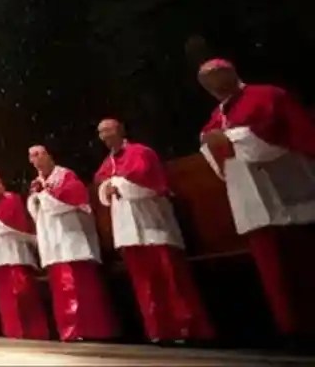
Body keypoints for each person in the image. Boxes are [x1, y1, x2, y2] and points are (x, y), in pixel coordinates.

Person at [197, 58, 315, 343]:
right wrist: (215, 142)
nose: (213, 84)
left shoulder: (267, 95)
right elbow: (214, 151)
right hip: (252, 199)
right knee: (275, 272)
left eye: (216, 75)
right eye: (206, 81)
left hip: (286, 190)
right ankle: (291, 329)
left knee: (304, 261)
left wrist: (230, 139)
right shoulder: (217, 115)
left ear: (232, 72)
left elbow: (279, 135)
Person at [94, 118, 213, 344]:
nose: (105, 135)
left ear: (120, 130)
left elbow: (147, 182)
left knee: (171, 279)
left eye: (108, 130)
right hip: (128, 230)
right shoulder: (107, 163)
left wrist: (116, 184)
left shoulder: (140, 152)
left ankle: (188, 329)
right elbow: (102, 185)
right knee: (144, 284)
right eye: (101, 132)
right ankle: (159, 330)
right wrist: (108, 187)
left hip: (153, 225)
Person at [27, 145, 118, 342]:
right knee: (61, 289)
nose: (36, 158)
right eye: (32, 156)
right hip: (52, 241)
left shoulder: (65, 175)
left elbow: (69, 200)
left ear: (49, 155)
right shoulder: (37, 183)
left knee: (81, 287)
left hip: (71, 238)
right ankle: (69, 331)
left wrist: (42, 196)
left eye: (40, 153)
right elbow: (36, 210)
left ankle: (92, 330)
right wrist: (36, 198)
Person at [0, 172, 50, 340]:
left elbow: (10, 224)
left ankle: (35, 334)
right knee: (6, 302)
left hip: (15, 257)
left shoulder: (11, 199)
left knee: (23, 297)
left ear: (1, 183)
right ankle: (13, 334)